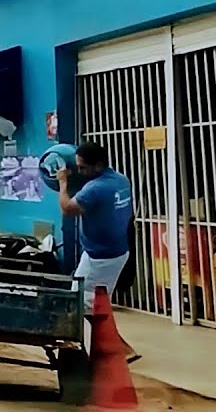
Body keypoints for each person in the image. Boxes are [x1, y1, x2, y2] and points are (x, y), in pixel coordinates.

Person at [56, 140, 141, 363]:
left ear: (99, 165)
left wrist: (63, 183)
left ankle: (120, 348)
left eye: (83, 167)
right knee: (94, 301)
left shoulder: (95, 189)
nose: (80, 171)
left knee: (83, 302)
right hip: (117, 251)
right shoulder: (121, 180)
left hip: (100, 256)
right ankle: (112, 347)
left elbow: (67, 209)